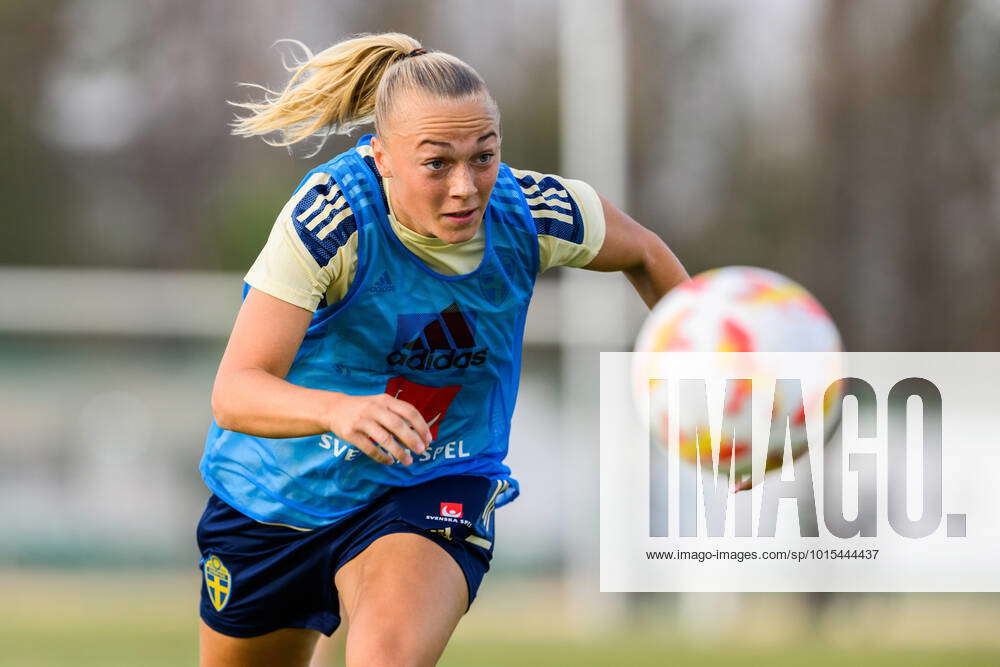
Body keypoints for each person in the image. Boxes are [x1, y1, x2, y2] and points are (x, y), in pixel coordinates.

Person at [196, 32, 689, 667]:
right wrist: (339, 411)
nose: (466, 187)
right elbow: (236, 390)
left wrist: (710, 385)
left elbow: (646, 254)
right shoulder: (329, 221)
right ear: (381, 158)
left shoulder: (532, 211)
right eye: (437, 163)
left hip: (432, 479)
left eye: (483, 157)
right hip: (276, 498)